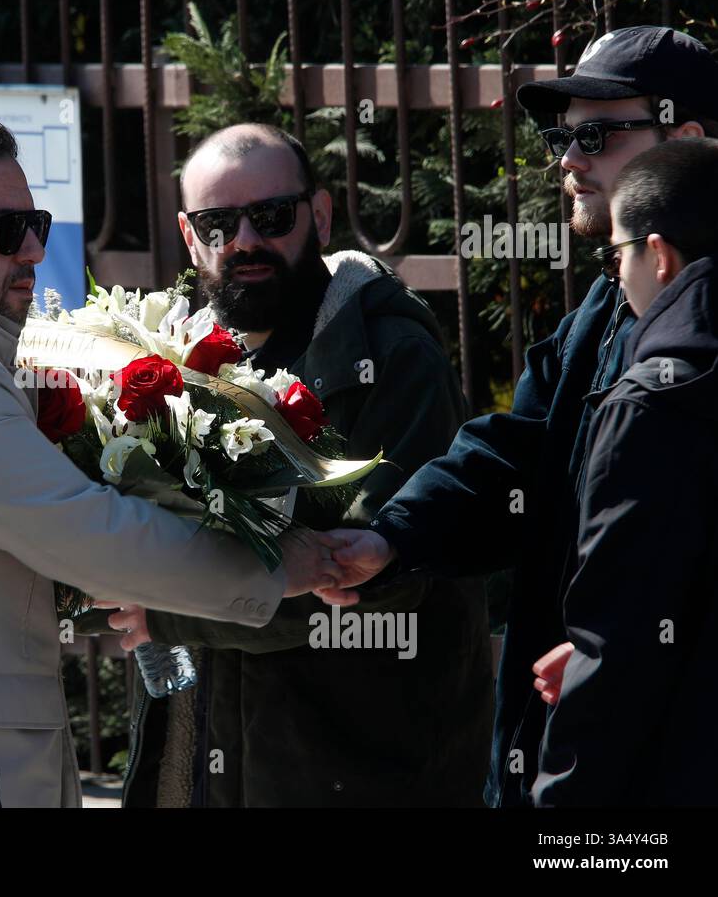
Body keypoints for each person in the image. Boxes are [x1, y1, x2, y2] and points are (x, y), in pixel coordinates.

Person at [0, 113, 347, 807]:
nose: (30, 250)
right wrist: (270, 569)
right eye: (4, 231)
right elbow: (82, 533)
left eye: (37, 224)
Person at [322, 25, 718, 806]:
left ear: (688, 137)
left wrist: (630, 652)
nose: (568, 161)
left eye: (597, 135)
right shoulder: (609, 303)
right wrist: (390, 537)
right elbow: (514, 454)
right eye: (561, 135)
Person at [111, 124, 493, 807]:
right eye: (219, 222)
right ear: (189, 234)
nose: (248, 240)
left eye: (273, 215)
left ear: (318, 214)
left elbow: (371, 580)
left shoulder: (389, 355)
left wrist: (169, 614)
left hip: (362, 763)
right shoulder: (174, 358)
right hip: (209, 759)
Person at [532, 138, 718, 805]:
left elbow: (623, 637)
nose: (617, 275)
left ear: (660, 257)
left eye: (618, 256)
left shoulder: (651, 401)